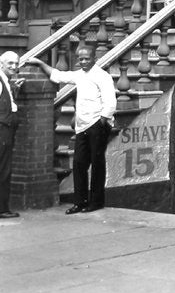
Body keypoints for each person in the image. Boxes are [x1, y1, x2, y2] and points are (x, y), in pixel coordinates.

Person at [27, 49, 116, 213]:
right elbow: (58, 75)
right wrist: (40, 63)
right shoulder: (79, 75)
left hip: (97, 124)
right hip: (82, 127)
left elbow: (110, 102)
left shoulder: (103, 76)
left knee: (97, 164)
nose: (83, 62)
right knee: (79, 163)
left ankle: (96, 202)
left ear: (94, 58)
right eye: (80, 59)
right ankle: (80, 202)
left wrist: (101, 121)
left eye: (86, 58)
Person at [0, 51, 21, 219]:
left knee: (1, 168)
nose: (14, 67)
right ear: (1, 64)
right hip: (0, 129)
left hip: (4, 129)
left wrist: (13, 88)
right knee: (0, 169)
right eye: (10, 63)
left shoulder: (4, 80)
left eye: (16, 63)